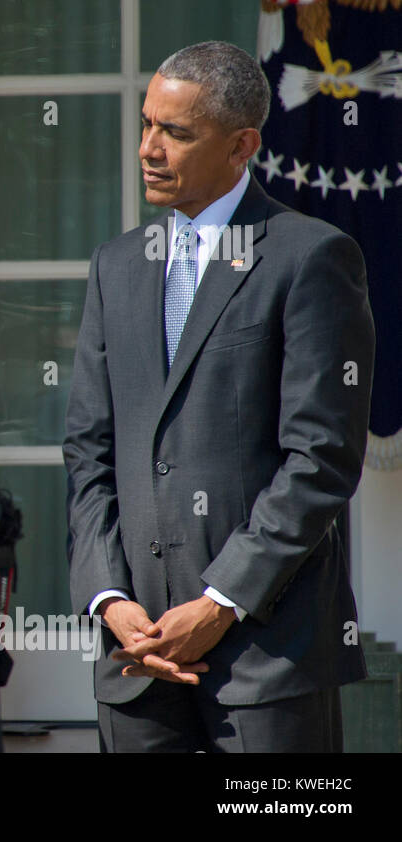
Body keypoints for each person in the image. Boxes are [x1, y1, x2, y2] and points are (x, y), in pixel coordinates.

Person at [65, 42, 373, 751]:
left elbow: (321, 459)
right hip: (135, 660)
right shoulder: (116, 264)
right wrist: (110, 600)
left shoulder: (311, 256)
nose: (148, 148)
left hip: (269, 659)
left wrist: (220, 602)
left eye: (175, 132)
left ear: (242, 146)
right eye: (146, 124)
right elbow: (88, 450)